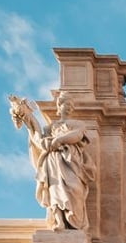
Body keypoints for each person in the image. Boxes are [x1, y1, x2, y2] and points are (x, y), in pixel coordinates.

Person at [8, 93, 92, 230]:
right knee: (55, 190)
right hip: (53, 161)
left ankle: (74, 222)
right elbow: (38, 138)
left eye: (72, 105)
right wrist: (28, 117)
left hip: (71, 161)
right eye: (67, 104)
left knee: (74, 189)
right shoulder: (50, 128)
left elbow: (77, 135)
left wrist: (58, 140)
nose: (70, 107)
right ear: (59, 106)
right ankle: (59, 221)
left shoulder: (78, 124)